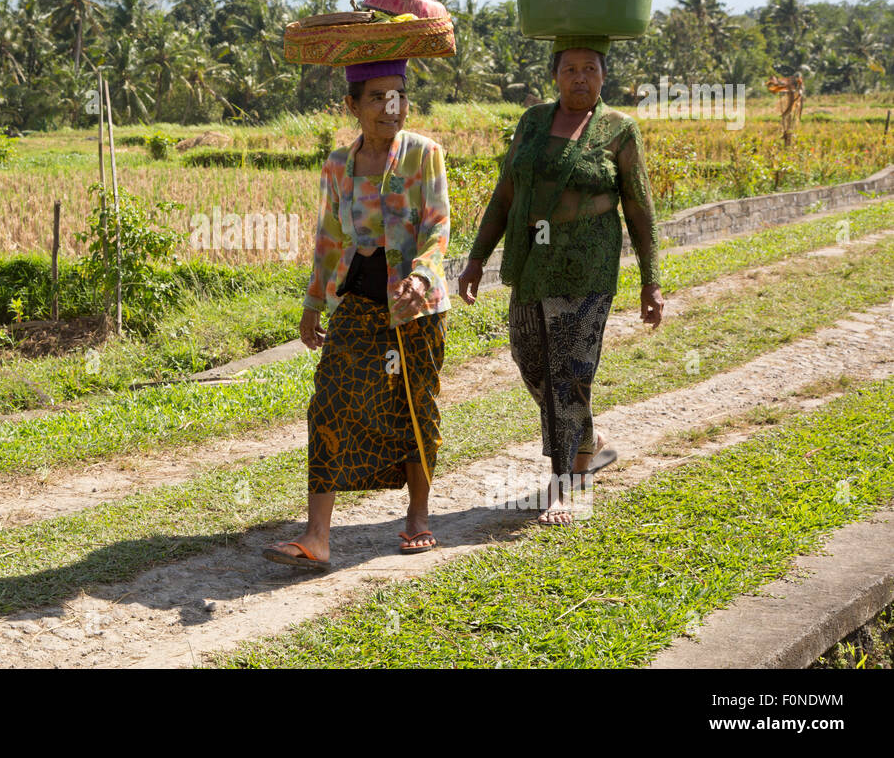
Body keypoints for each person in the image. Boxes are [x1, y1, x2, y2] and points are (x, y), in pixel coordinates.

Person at [456, 37, 664, 525]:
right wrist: (475, 260)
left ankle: (564, 485)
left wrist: (651, 281)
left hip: (588, 267)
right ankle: (587, 440)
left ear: (603, 76)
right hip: (533, 264)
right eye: (569, 68)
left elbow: (639, 206)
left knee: (568, 373)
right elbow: (505, 193)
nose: (579, 78)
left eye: (589, 69)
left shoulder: (619, 129)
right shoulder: (532, 122)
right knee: (531, 363)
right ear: (555, 76)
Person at [263, 58, 451, 571]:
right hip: (356, 303)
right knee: (329, 404)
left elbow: (438, 228)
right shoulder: (337, 165)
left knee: (415, 407)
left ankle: (417, 517)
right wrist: (311, 302)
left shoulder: (424, 155)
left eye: (399, 95)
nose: (391, 106)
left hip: (415, 306)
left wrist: (423, 277)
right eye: (377, 97)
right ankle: (317, 536)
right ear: (352, 104)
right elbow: (328, 237)